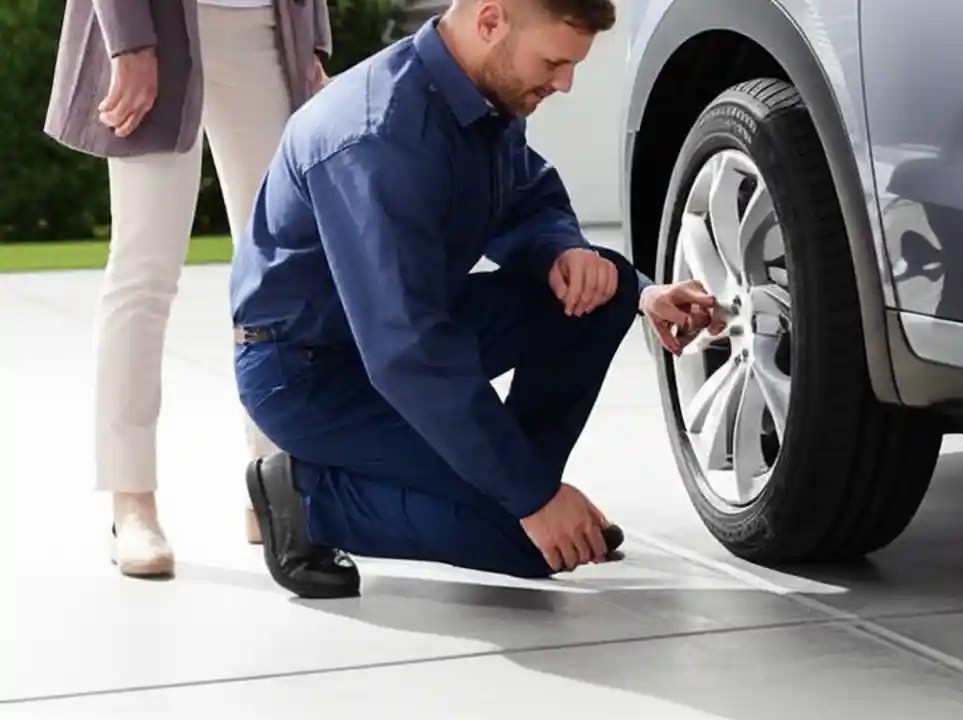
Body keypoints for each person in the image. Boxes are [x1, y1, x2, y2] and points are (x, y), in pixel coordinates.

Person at [229, 0, 725, 598]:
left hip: (399, 335)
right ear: (490, 21)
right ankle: (307, 496)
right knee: (524, 540)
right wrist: (532, 498)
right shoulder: (378, 137)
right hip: (309, 375)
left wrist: (580, 261)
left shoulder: (482, 95)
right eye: (553, 62)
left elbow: (526, 196)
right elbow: (407, 350)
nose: (565, 84)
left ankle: (506, 486)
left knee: (606, 290)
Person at [44, 0, 333, 577]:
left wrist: (313, 38)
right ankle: (131, 500)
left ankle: (274, 485)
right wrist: (127, 41)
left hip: (267, 25)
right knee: (144, 270)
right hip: (161, 21)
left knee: (276, 273)